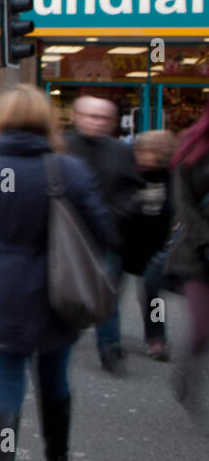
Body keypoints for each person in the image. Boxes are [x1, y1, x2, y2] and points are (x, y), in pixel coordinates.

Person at [0, 86, 114, 461]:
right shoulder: (68, 170)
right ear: (48, 121)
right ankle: (57, 460)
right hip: (56, 295)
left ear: (4, 121)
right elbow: (103, 233)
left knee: (5, 388)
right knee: (54, 379)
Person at [66, 96, 145, 373]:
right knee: (62, 291)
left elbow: (135, 188)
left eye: (104, 118)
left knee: (106, 295)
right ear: (76, 116)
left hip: (109, 234)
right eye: (91, 116)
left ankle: (109, 347)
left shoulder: (121, 151)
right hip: (69, 235)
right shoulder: (63, 147)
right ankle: (56, 342)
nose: (97, 122)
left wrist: (121, 210)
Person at [167, 102, 209, 425]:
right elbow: (184, 205)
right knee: (201, 329)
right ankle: (185, 371)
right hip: (199, 253)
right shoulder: (192, 148)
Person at [126, 130, 178, 360]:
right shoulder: (131, 172)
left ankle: (156, 338)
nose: (142, 155)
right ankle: (108, 341)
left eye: (148, 151)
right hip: (128, 243)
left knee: (152, 293)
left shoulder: (173, 176)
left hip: (159, 246)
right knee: (111, 293)